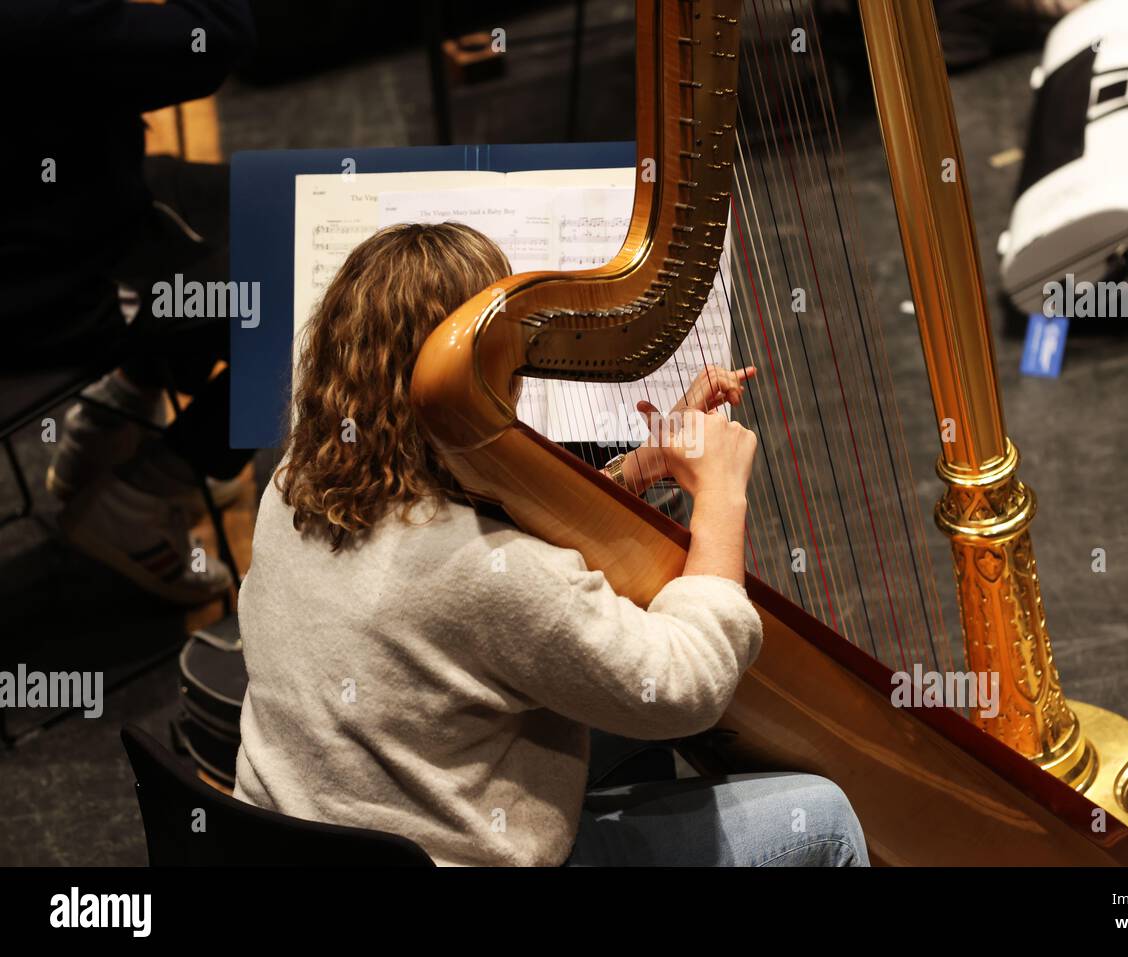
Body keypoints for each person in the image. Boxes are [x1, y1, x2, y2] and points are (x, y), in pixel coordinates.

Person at [233, 222, 868, 867]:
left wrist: (641, 467)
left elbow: (498, 547)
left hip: (294, 836)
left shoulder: (294, 486)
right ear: (468, 377)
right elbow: (689, 685)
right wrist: (721, 494)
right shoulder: (486, 571)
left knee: (615, 732)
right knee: (822, 817)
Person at [1, 0, 257, 603]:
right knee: (334, 278)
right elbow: (213, 41)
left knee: (262, 202)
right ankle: (142, 492)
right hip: (55, 292)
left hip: (54, 225)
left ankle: (112, 421)